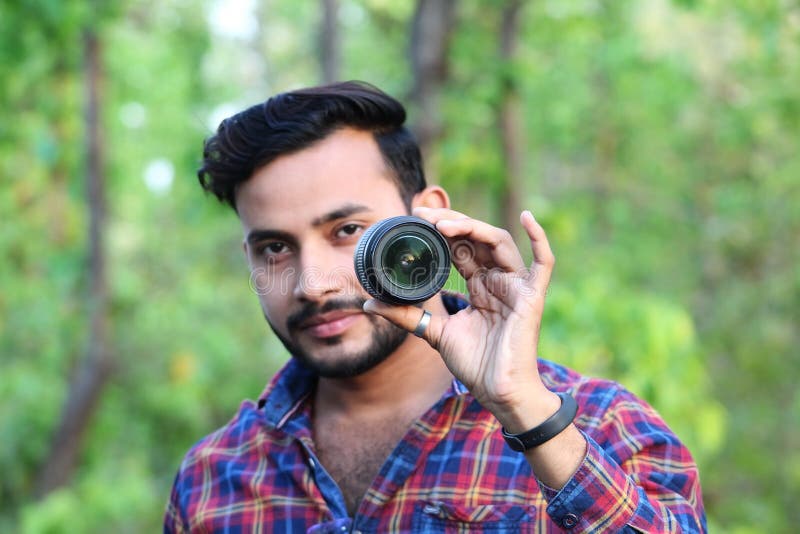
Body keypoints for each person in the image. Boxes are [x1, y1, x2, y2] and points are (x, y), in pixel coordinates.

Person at [164, 81, 706, 533]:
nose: (312, 284)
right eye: (275, 248)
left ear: (428, 222)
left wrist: (525, 410)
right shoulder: (215, 478)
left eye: (347, 230)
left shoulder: (607, 429)